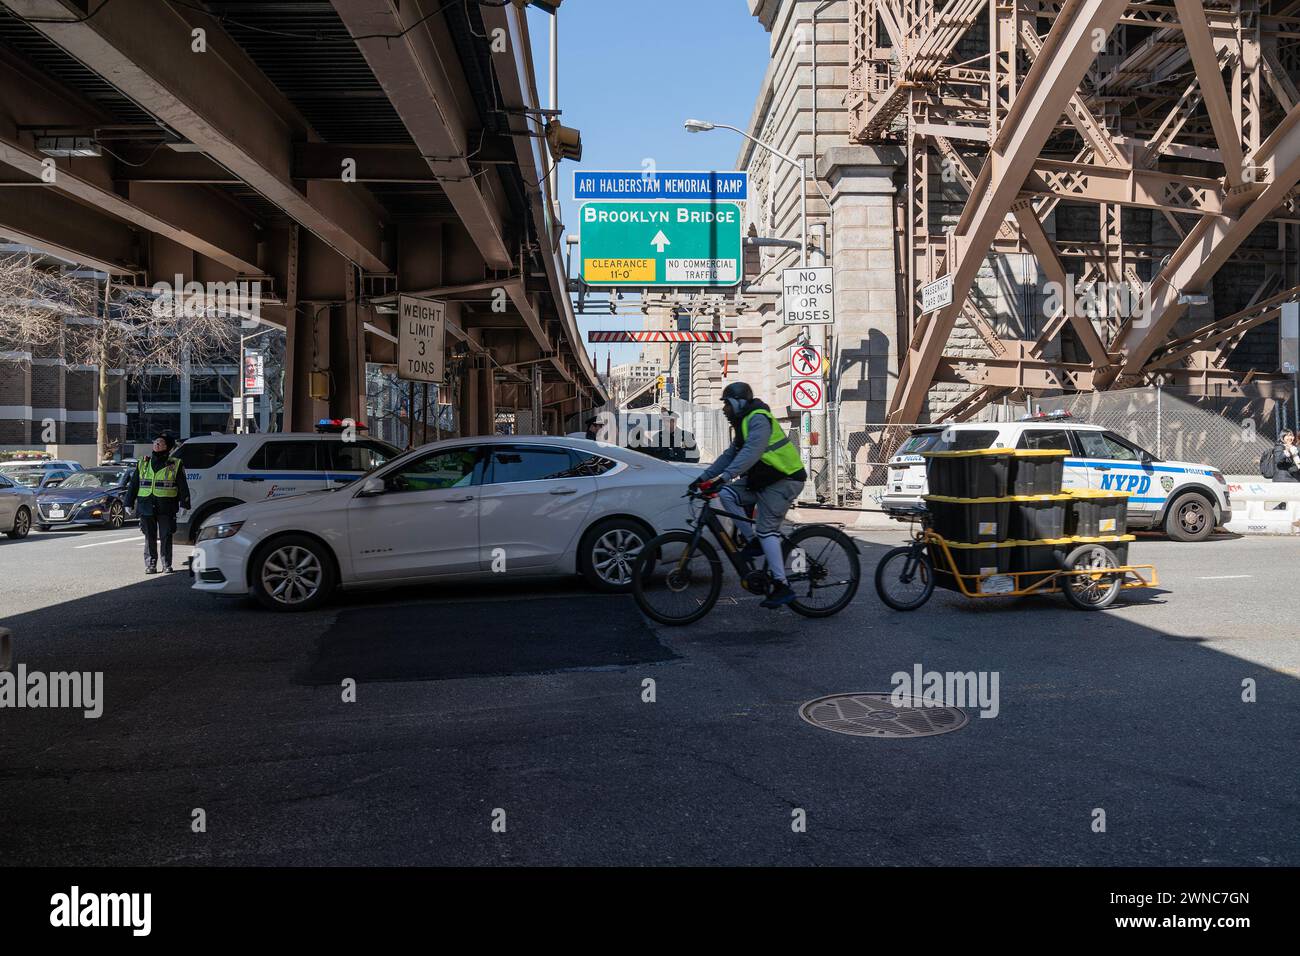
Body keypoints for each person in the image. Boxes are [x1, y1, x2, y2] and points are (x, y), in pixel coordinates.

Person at [690, 381, 807, 609]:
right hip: (764, 479)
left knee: (766, 529)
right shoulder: (743, 423)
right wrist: (703, 478)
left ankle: (782, 587)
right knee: (727, 494)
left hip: (785, 478)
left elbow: (751, 453)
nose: (724, 410)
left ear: (738, 402)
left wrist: (724, 476)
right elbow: (730, 454)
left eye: (726, 404)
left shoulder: (758, 419)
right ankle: (753, 541)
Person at [125, 431, 191, 574]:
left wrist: (185, 503)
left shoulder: (175, 464)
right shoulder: (143, 462)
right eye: (155, 442)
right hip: (146, 504)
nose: (156, 444)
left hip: (166, 506)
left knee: (166, 536)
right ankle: (151, 564)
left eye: (160, 442)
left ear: (167, 447)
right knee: (149, 536)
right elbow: (134, 484)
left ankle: (166, 564)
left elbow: (182, 485)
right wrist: (128, 502)